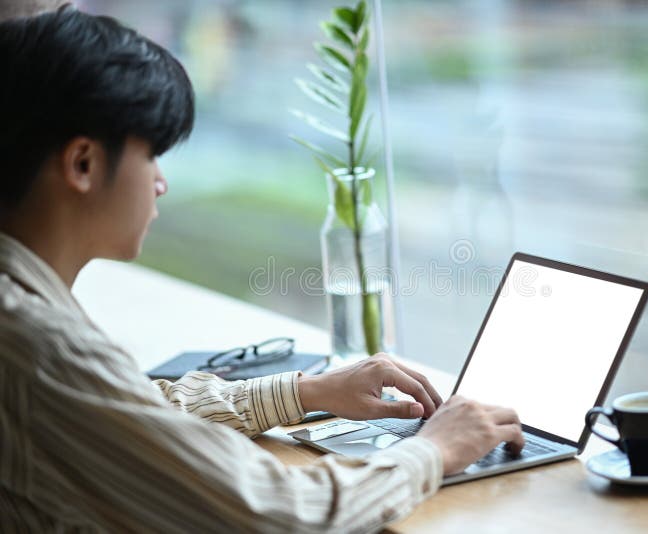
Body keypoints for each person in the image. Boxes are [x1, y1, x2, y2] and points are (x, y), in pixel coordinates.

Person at [0, 6, 524, 532]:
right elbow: (280, 515)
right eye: (152, 155)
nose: (161, 183)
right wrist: (434, 450)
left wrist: (306, 392)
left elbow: (135, 408)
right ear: (83, 164)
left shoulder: (27, 319)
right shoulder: (40, 344)